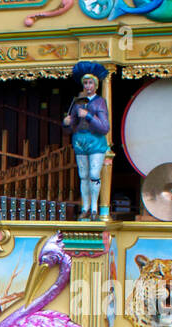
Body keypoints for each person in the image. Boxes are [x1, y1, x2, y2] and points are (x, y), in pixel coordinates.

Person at [63, 62, 110, 221]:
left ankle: (96, 208)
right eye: (85, 83)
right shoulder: (77, 102)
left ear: (95, 85)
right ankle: (85, 207)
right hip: (80, 141)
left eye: (90, 83)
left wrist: (88, 115)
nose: (87, 86)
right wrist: (67, 123)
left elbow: (104, 127)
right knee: (83, 175)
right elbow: (70, 128)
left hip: (95, 141)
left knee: (94, 174)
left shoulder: (100, 102)